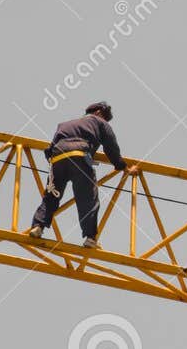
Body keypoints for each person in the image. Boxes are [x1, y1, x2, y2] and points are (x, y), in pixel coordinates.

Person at [25, 100, 138, 248]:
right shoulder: (100, 122)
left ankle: (38, 226)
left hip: (58, 156)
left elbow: (48, 150)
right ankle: (90, 238)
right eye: (105, 117)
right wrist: (122, 166)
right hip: (79, 155)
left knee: (51, 195)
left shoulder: (64, 124)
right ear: (98, 112)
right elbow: (111, 148)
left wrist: (56, 166)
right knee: (88, 197)